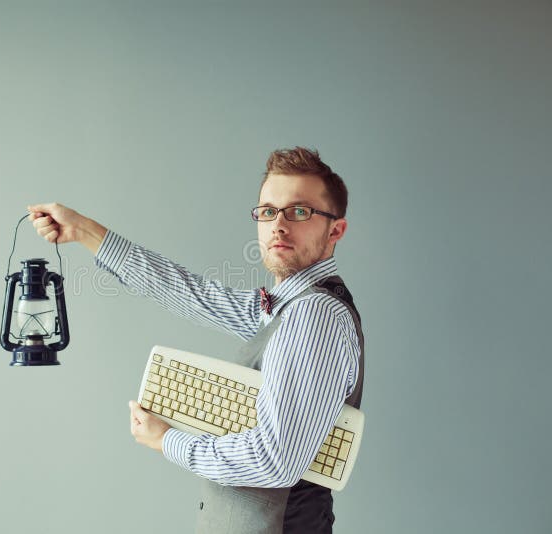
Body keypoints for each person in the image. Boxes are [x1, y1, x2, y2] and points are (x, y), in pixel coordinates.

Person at [26, 146, 363, 534]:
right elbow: (192, 294)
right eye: (268, 211)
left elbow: (274, 461)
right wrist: (84, 232)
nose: (278, 225)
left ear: (335, 230)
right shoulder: (287, 308)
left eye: (299, 211)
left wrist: (168, 440)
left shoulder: (314, 315)